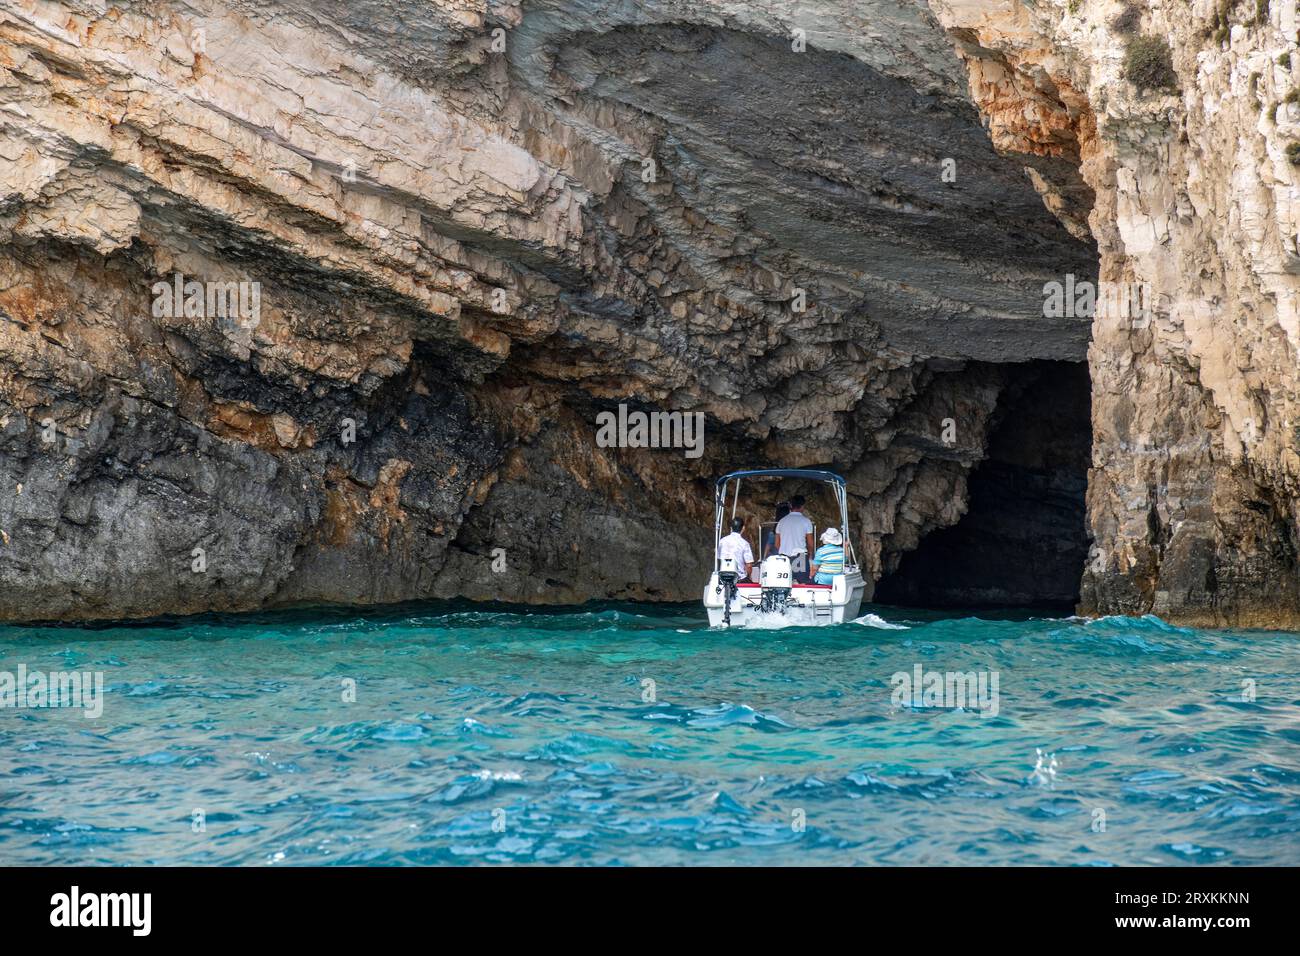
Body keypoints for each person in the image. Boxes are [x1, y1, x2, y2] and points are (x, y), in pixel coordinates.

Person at [775, 494, 815, 583]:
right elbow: (810, 543)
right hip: (800, 557)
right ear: (802, 506)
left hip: (783, 558)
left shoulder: (781, 521)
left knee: (783, 584)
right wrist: (810, 555)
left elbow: (777, 544)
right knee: (803, 584)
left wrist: (785, 551)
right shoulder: (806, 521)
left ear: (790, 506)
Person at [718, 517, 755, 581]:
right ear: (743, 528)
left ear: (731, 528)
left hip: (722, 578)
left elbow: (719, 559)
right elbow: (749, 566)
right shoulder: (745, 544)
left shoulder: (722, 541)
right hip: (739, 578)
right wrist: (749, 576)